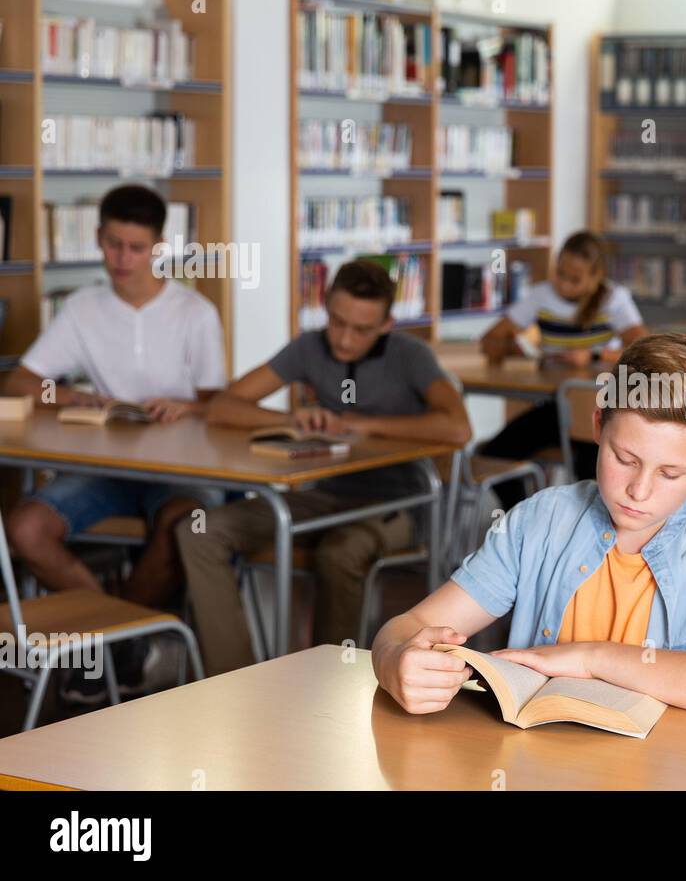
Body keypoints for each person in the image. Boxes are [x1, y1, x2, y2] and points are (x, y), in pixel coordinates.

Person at [371, 333, 686, 722]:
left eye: (670, 473)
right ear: (596, 426)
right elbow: (407, 626)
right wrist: (395, 664)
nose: (639, 490)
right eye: (625, 459)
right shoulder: (542, 519)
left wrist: (591, 659)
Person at [176, 260, 471, 676]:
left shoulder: (411, 356)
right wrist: (291, 421)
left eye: (361, 329)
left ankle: (329, 682)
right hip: (323, 494)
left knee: (339, 552)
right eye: (336, 322)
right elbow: (224, 407)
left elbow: (458, 427)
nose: (345, 339)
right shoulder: (309, 347)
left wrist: (361, 424)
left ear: (386, 324)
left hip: (401, 502)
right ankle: (234, 680)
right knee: (199, 532)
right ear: (325, 307)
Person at [3, 184, 228, 701]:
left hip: (181, 467)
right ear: (99, 237)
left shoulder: (195, 313)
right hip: (103, 467)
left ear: (158, 247)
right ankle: (127, 643)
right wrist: (73, 397)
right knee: (27, 527)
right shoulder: (83, 307)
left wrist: (186, 406)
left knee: (185, 523)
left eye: (135, 247)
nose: (121, 259)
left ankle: (109, 641)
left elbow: (220, 402)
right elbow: (21, 382)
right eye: (111, 244)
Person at [477, 231, 647, 508]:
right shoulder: (541, 295)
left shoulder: (614, 299)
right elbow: (491, 338)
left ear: (596, 277)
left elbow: (645, 349)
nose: (565, 285)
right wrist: (515, 349)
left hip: (606, 412)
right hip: (558, 406)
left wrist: (592, 355)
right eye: (560, 274)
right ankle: (527, 524)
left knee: (594, 471)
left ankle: (593, 536)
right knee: (497, 453)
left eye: (575, 279)